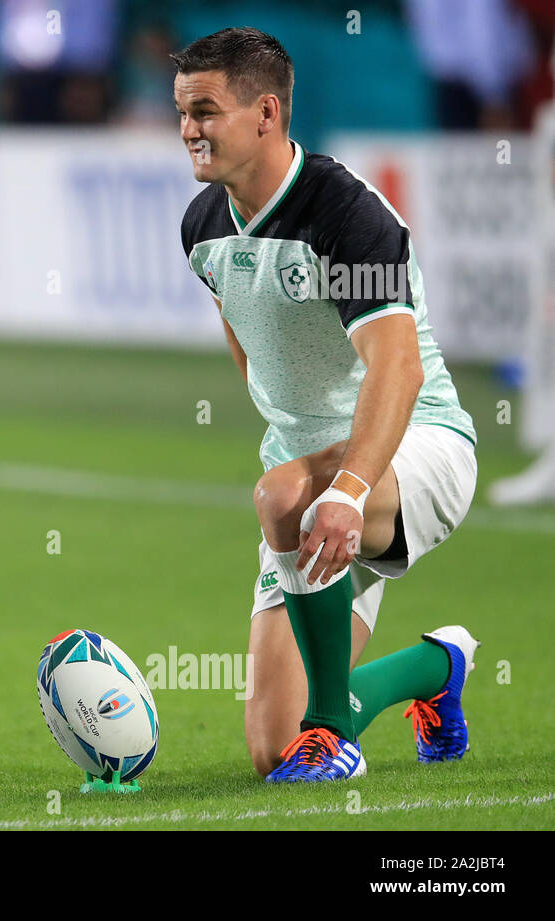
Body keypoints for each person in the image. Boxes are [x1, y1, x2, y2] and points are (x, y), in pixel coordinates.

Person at [175, 28, 479, 782]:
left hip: (417, 450)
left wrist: (346, 488)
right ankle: (437, 669)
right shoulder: (204, 227)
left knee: (283, 493)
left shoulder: (343, 214)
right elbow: (251, 347)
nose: (188, 129)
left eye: (205, 110)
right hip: (316, 482)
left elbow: (398, 369)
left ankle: (336, 736)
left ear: (267, 114)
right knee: (274, 749)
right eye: (182, 111)